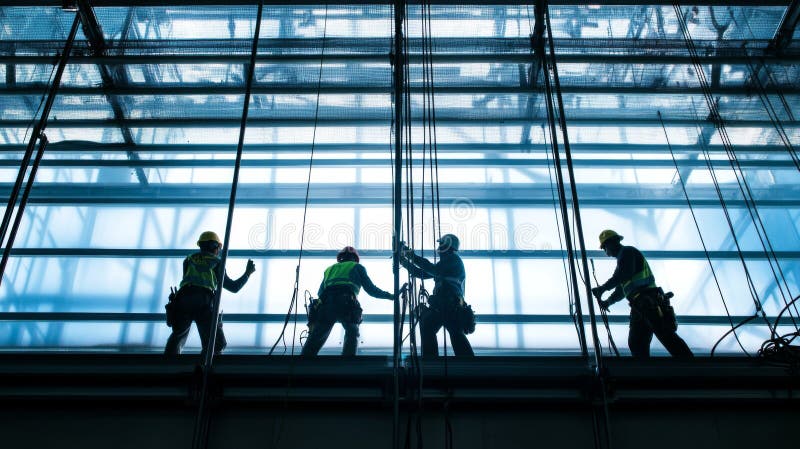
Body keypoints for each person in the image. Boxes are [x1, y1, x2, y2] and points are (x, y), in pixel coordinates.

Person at [591, 229, 693, 358]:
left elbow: (623, 275)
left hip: (648, 301)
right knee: (636, 342)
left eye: (605, 247)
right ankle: (645, 370)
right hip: (640, 306)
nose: (606, 252)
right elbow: (622, 288)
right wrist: (609, 301)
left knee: (665, 335)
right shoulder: (622, 261)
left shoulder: (628, 252)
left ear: (612, 243)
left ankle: (690, 364)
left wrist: (603, 288)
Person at [164, 231, 255, 356]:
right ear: (214, 246)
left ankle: (169, 365)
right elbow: (233, 287)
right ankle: (203, 367)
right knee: (216, 343)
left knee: (178, 335)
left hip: (183, 298)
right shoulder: (216, 262)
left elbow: (186, 280)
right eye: (218, 248)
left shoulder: (188, 259)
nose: (218, 251)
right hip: (203, 300)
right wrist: (247, 273)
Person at [301, 246, 394, 356]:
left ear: (340, 257)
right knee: (352, 332)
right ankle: (348, 361)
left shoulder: (329, 269)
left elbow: (320, 292)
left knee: (316, 336)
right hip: (346, 303)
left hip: (326, 305)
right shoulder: (357, 267)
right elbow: (371, 290)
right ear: (355, 258)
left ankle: (303, 363)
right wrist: (391, 296)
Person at [400, 234, 475, 357]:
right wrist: (403, 261)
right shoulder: (444, 265)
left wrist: (408, 253)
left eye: (441, 244)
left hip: (451, 306)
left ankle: (467, 362)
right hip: (443, 305)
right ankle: (433, 359)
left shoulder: (453, 260)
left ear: (448, 247)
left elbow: (429, 268)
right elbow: (420, 273)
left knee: (451, 332)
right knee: (429, 326)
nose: (438, 248)